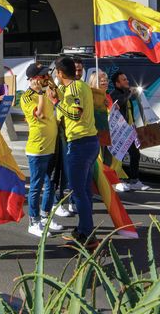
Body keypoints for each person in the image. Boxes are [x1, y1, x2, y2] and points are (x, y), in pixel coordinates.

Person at [51, 55, 100, 248]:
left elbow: (75, 113)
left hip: (79, 143)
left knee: (78, 192)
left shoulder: (75, 88)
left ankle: (87, 234)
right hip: (89, 142)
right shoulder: (79, 86)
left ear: (60, 72)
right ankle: (84, 228)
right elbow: (63, 92)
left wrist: (56, 103)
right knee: (84, 190)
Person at [21, 63, 64, 238]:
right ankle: (33, 221)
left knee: (51, 184)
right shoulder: (26, 97)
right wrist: (40, 94)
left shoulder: (47, 89)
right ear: (33, 79)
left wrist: (52, 85)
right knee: (36, 186)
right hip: (38, 148)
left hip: (52, 144)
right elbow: (39, 113)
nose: (46, 77)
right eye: (43, 75)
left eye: (47, 74)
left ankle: (45, 217)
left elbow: (59, 100)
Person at [109, 70, 146, 193]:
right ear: (117, 84)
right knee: (117, 158)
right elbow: (121, 102)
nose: (127, 81)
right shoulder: (114, 94)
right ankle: (114, 181)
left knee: (135, 154)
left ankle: (134, 180)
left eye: (126, 79)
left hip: (129, 130)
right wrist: (130, 92)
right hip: (119, 131)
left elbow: (131, 104)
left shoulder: (126, 93)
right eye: (124, 80)